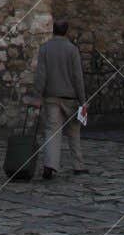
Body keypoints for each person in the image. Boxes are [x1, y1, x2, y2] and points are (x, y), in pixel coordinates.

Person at [31, 18, 88, 179]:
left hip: (51, 97)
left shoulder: (45, 49)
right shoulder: (72, 49)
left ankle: (50, 165)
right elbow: (78, 77)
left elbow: (41, 75)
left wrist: (37, 96)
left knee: (52, 131)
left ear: (53, 30)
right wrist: (83, 100)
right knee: (74, 131)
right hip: (70, 97)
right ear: (66, 31)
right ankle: (78, 165)